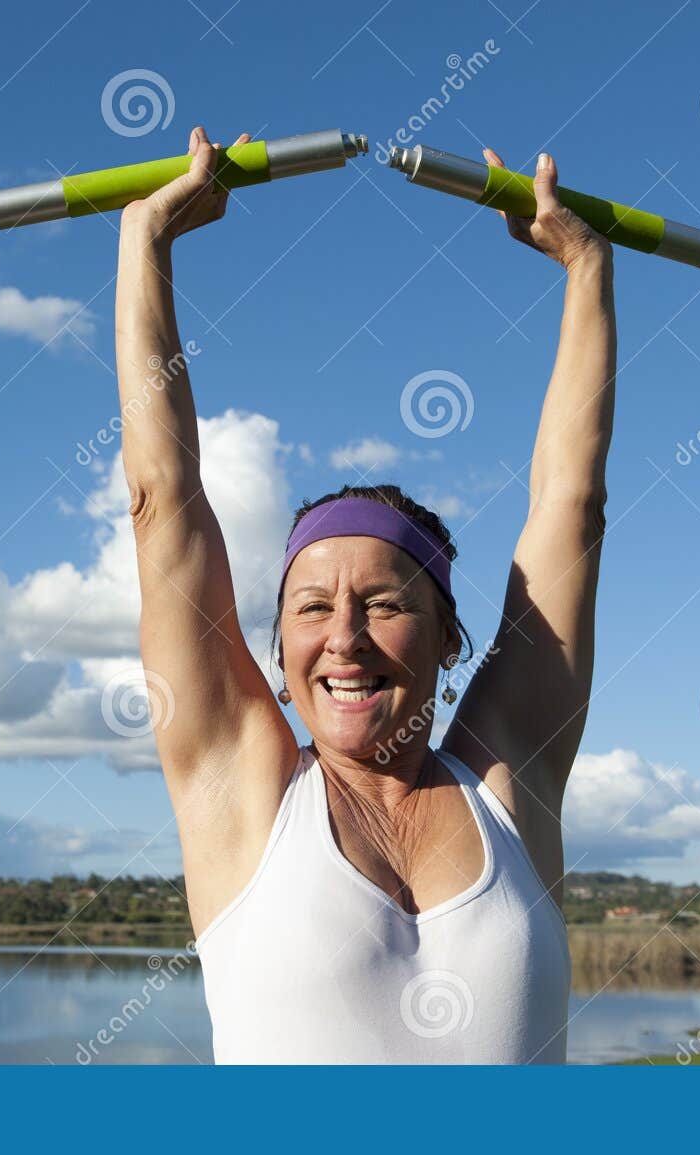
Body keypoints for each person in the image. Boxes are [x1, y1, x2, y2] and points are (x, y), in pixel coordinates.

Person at [114, 126, 616, 1063]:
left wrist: (585, 267)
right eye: (311, 606)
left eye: (385, 604)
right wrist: (147, 242)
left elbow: (571, 506)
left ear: (446, 638)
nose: (344, 636)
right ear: (276, 648)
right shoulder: (246, 791)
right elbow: (161, 504)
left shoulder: (511, 784)